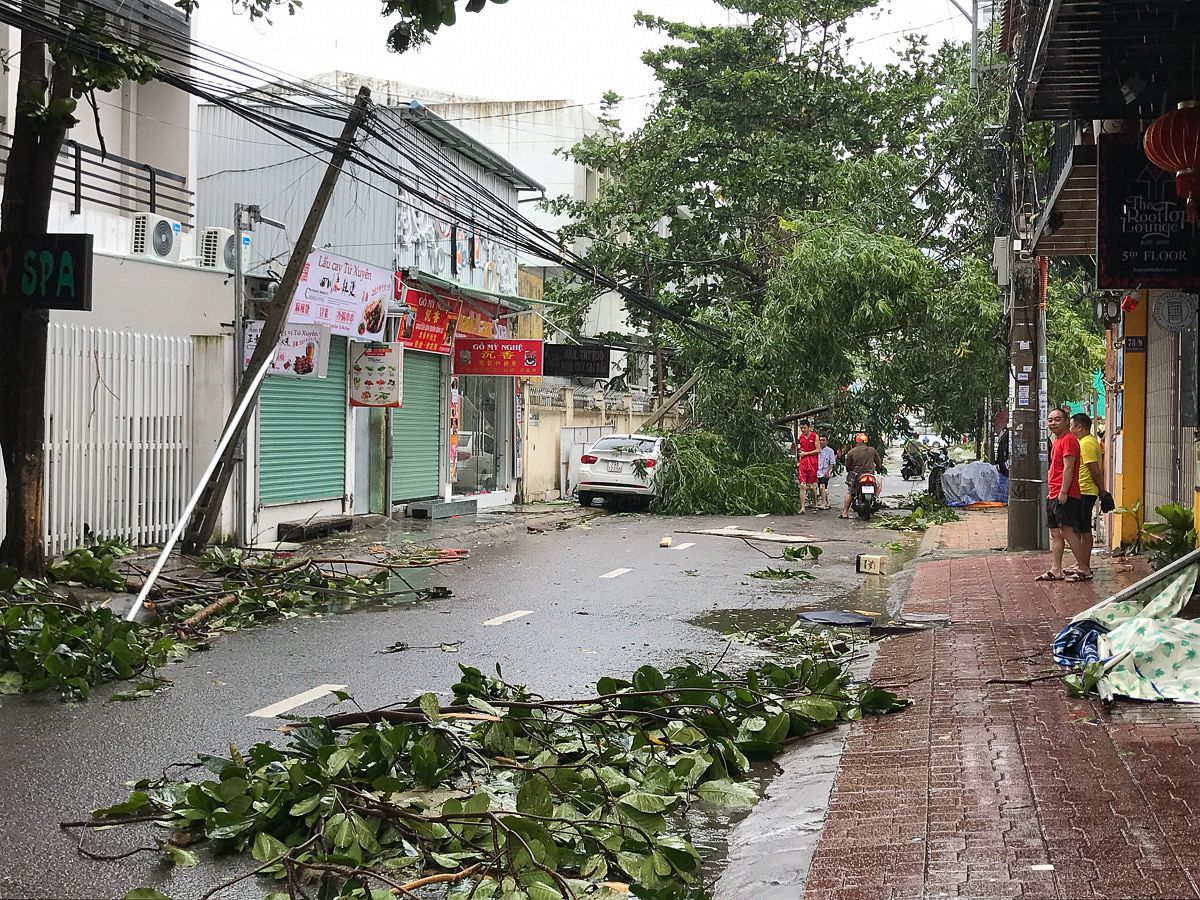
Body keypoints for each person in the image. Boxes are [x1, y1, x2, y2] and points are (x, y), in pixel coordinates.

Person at [1037, 408, 1090, 582]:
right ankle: (1056, 569)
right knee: (1055, 532)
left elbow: (1068, 468)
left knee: (1067, 530)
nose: (1053, 423)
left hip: (1065, 493)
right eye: (1050, 420)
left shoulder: (1069, 440)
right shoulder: (1058, 441)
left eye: (1057, 419)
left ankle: (1084, 568)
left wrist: (1063, 491)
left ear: (1067, 421)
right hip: (1054, 493)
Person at [1069, 412, 1109, 577]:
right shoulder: (1085, 442)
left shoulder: (1086, 444)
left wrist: (1102, 490)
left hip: (1085, 490)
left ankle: (1084, 565)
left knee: (1084, 529)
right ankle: (1080, 561)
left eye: (1071, 425)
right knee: (1077, 528)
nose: (1070, 429)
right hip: (1081, 490)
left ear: (1079, 427)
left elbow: (1094, 470)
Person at [840, 432, 882, 519]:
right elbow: (878, 462)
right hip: (870, 474)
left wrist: (849, 470)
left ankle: (845, 512)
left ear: (857, 442)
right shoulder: (872, 450)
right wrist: (878, 469)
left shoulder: (851, 452)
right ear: (866, 441)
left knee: (850, 492)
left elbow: (848, 465)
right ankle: (876, 497)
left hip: (856, 475)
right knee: (880, 482)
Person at [796, 421, 820, 513]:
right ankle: (802, 507)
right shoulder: (801, 437)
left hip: (812, 462)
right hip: (803, 462)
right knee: (802, 485)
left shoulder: (814, 436)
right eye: (801, 428)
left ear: (809, 427)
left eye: (804, 428)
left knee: (811, 486)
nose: (802, 430)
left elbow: (818, 450)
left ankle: (814, 503)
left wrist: (806, 453)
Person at [815, 435, 837, 511]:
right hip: (817, 471)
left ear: (827, 442)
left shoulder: (830, 451)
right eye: (820, 440)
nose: (821, 442)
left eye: (823, 440)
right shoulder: (817, 450)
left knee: (822, 487)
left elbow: (832, 463)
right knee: (822, 488)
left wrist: (828, 471)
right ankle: (827, 502)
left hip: (825, 472)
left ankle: (823, 503)